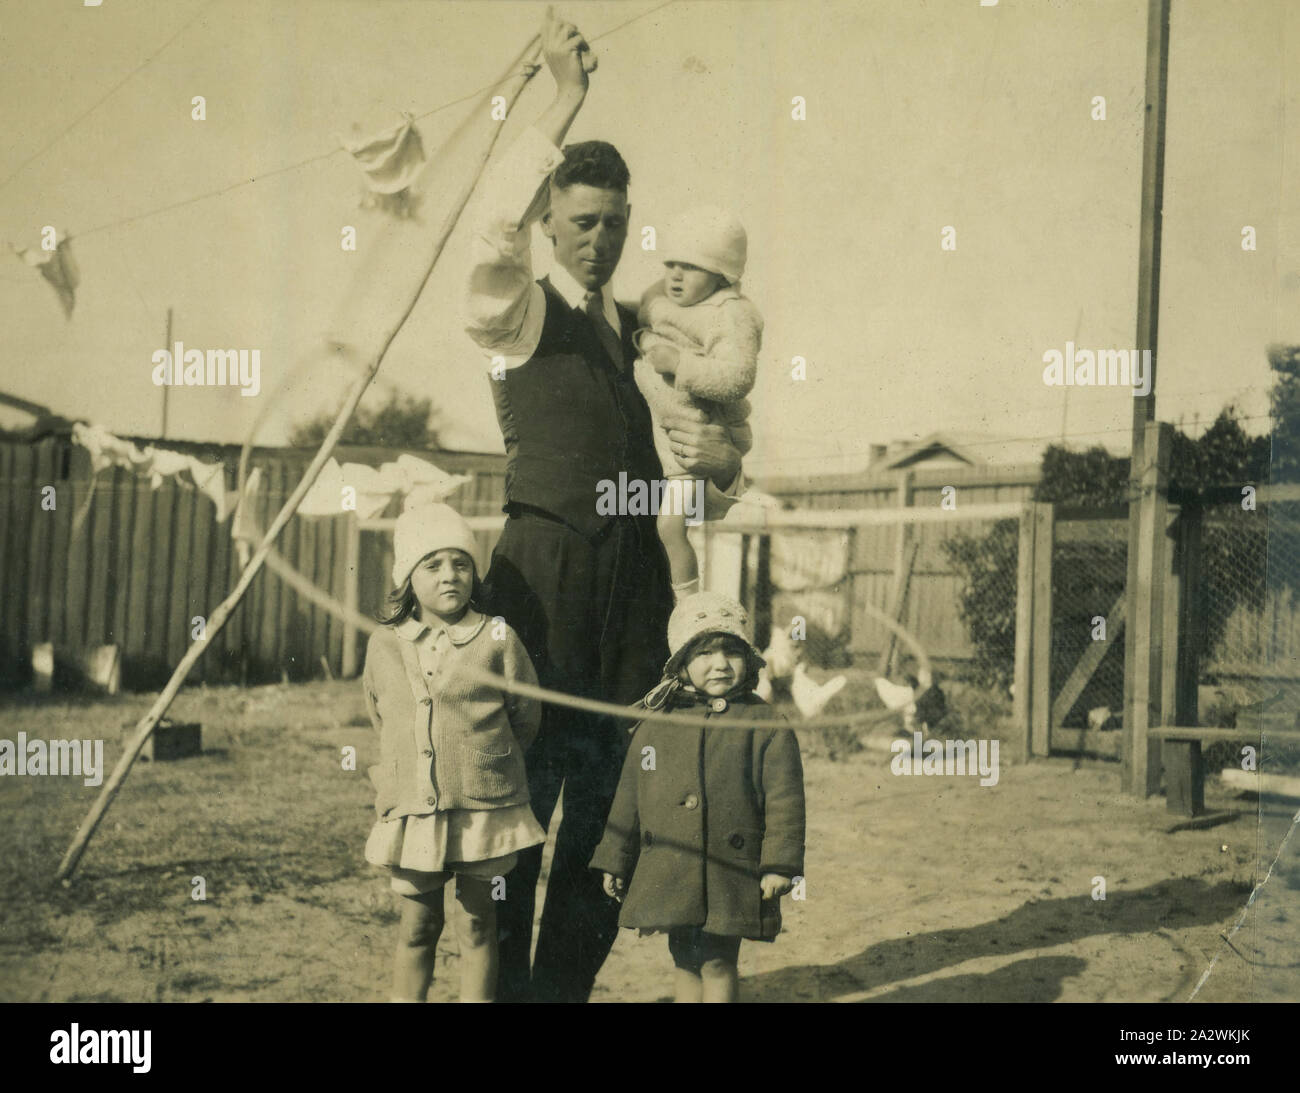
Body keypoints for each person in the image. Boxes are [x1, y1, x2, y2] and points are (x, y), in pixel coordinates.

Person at [462, 8, 747, 1002]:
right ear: (551, 221)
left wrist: (722, 464)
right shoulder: (518, 312)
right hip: (540, 586)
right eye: (582, 221)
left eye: (615, 224)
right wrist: (563, 100)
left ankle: (557, 999)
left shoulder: (637, 334)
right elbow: (489, 230)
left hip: (631, 603)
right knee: (520, 818)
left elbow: (703, 445)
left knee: (608, 821)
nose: (599, 239)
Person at [361, 502, 546, 1002]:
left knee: (479, 929)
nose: (450, 576)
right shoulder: (384, 643)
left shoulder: (497, 636)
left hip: (481, 811)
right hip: (415, 813)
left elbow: (525, 717)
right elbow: (382, 716)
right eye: (433, 564)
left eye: (461, 564)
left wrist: (483, 763)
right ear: (407, 578)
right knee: (418, 927)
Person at [590, 591, 806, 1003]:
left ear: (750, 659)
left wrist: (779, 864)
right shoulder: (656, 725)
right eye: (704, 652)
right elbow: (630, 797)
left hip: (731, 869)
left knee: (719, 960)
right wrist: (616, 858)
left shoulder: (766, 724)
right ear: (682, 664)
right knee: (685, 958)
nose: (720, 663)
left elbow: (786, 802)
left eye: (731, 651)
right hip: (674, 865)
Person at [633, 206, 763, 602]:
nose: (675, 274)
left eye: (690, 266)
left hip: (693, 431)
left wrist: (681, 365)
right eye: (671, 262)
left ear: (722, 272)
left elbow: (738, 376)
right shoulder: (667, 300)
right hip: (665, 429)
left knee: (671, 526)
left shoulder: (730, 313)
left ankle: (687, 606)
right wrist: (647, 341)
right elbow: (644, 322)